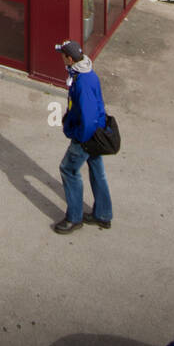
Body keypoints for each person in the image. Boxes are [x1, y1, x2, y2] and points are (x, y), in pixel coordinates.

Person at [53, 39, 113, 234]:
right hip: (96, 131)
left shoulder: (83, 82)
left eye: (62, 55)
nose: (61, 58)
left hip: (87, 135)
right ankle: (103, 215)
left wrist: (80, 138)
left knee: (68, 169)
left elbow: (87, 117)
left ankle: (74, 218)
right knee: (97, 171)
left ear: (70, 58)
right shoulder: (84, 72)